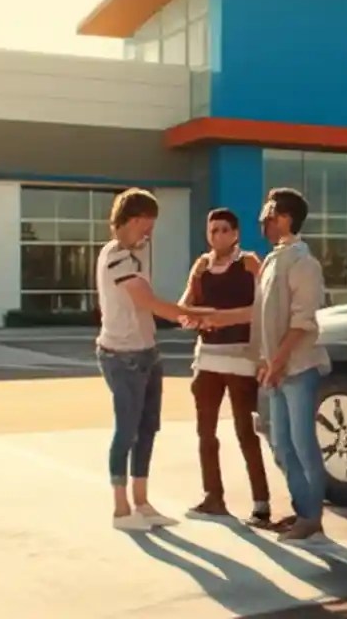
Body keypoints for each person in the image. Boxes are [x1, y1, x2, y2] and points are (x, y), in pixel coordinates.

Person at [203, 187, 331, 542]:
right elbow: (263, 316)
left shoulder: (304, 263)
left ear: (285, 218)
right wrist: (265, 361)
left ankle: (312, 517)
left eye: (269, 213)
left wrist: (278, 361)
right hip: (275, 368)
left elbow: (302, 321)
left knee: (303, 444)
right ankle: (302, 508)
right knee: (280, 443)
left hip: (297, 367)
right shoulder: (275, 259)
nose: (263, 219)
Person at [96, 187, 208, 532]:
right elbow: (147, 301)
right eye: (148, 224)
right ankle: (121, 510)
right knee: (126, 430)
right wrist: (192, 315)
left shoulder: (134, 254)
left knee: (147, 429)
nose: (150, 232)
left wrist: (185, 314)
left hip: (146, 353)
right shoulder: (116, 256)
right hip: (122, 356)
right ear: (131, 219)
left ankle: (142, 503)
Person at [178, 208, 273, 528]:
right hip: (207, 359)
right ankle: (213, 497)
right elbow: (185, 305)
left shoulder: (248, 263)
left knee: (245, 430)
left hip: (242, 358)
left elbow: (263, 308)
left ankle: (261, 503)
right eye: (212, 230)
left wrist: (224, 317)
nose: (216, 235)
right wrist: (188, 316)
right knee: (205, 432)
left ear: (235, 234)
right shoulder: (201, 265)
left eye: (223, 230)